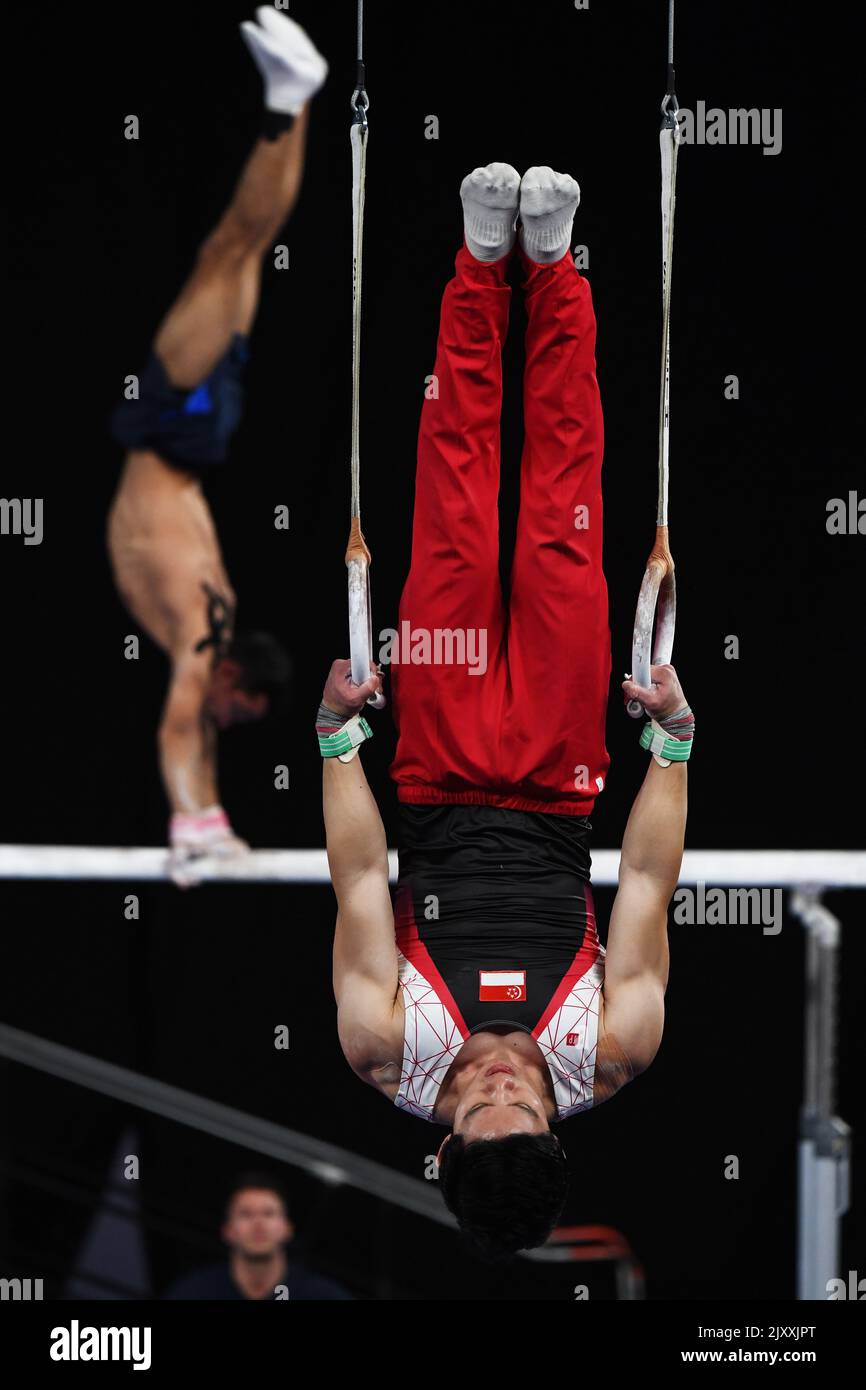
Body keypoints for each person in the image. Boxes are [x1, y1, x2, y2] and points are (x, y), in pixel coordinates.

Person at [320, 165, 693, 1259]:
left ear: (442, 1143)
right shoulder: (612, 1044)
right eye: (518, 1100)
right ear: (552, 1128)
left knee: (454, 499)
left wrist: (336, 737)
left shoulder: (381, 1046)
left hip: (432, 757)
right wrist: (670, 739)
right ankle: (553, 268)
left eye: (473, 1104)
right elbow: (645, 880)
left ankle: (480, 265)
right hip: (561, 762)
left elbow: (354, 875)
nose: (494, 1078)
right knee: (558, 515)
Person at [107, 10, 327, 884]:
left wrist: (208, 819)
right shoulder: (204, 634)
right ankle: (290, 100)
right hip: (175, 429)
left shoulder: (213, 627)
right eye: (241, 708)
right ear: (233, 670)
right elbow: (177, 726)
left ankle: (293, 101)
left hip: (193, 439)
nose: (227, 720)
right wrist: (191, 819)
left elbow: (194, 726)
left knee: (242, 248)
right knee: (232, 248)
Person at [163, 1172, 352, 1300]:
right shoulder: (194, 1293)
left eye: (268, 1213)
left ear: (287, 1228)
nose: (258, 1224)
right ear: (228, 1230)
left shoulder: (322, 1295)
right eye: (246, 1214)